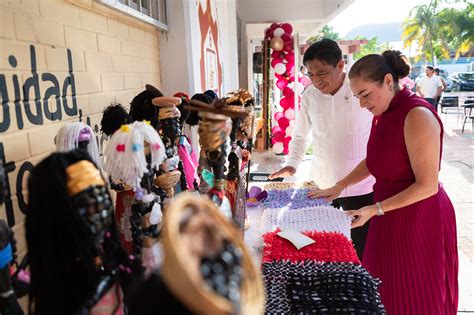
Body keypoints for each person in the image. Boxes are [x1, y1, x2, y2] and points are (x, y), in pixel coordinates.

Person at [309, 50, 458, 314]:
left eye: (365, 95)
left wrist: (374, 209)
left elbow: (427, 185)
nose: (362, 105)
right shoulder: (384, 112)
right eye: (357, 98)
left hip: (419, 218)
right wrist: (338, 187)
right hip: (386, 213)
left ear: (389, 81)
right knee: (381, 292)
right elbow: (375, 159)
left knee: (415, 297)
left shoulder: (417, 115)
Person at [269, 39, 374, 260]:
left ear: (340, 66)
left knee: (360, 249)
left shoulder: (360, 92)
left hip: (360, 186)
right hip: (323, 186)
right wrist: (292, 164)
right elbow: (300, 135)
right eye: (311, 74)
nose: (316, 81)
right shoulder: (309, 96)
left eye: (322, 73)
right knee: (326, 246)